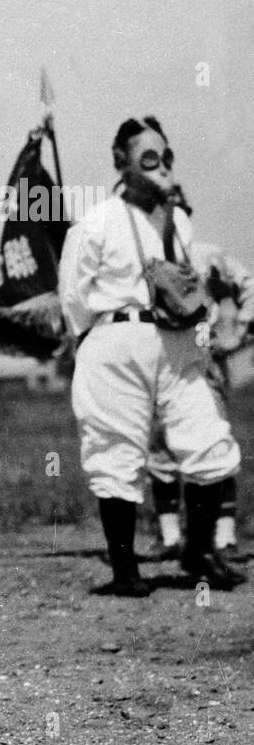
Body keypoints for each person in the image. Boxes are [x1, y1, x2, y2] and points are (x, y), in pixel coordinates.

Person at [59, 116, 244, 595]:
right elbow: (74, 300)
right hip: (116, 341)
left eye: (166, 157)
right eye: (149, 158)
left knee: (208, 440)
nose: (161, 167)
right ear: (121, 163)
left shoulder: (178, 220)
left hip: (177, 342)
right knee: (116, 451)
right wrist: (93, 349)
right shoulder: (94, 224)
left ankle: (199, 551)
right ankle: (125, 570)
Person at [147, 229, 254, 562]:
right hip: (160, 360)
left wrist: (241, 332)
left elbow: (248, 285)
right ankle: (170, 537)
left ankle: (223, 538)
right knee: (161, 445)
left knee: (212, 444)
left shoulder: (206, 253)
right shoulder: (138, 253)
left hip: (203, 358)